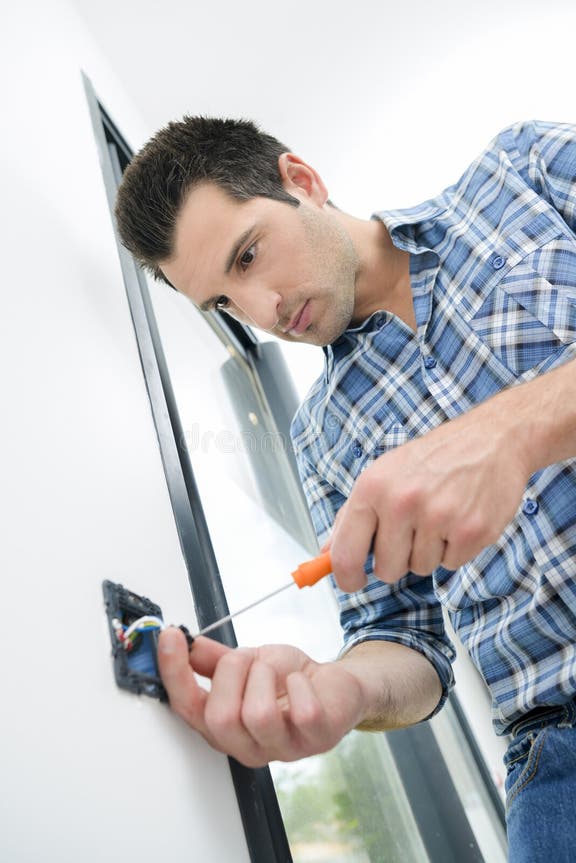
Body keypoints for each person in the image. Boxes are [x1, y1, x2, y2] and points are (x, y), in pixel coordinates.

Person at [115, 117, 576, 862]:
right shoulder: (323, 440)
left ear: (301, 181)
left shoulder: (522, 171)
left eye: (249, 254)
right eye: (225, 302)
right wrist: (347, 687)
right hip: (559, 760)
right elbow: (407, 640)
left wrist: (513, 431)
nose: (261, 310)